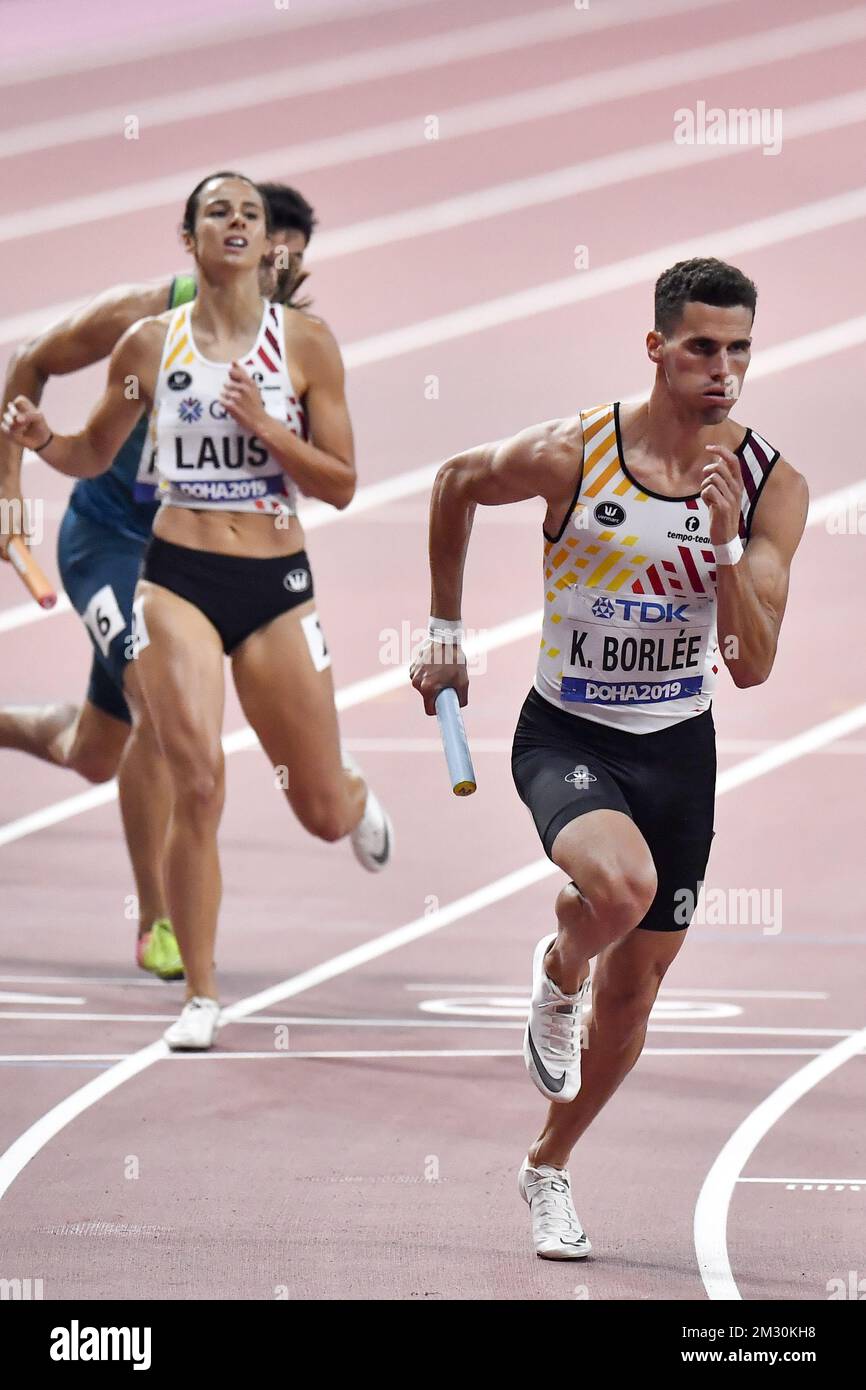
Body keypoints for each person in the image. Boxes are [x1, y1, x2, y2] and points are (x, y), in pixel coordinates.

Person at [410, 258, 808, 1259]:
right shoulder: (574, 454)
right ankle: (557, 965)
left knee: (631, 1000)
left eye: (738, 349)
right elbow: (455, 481)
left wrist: (720, 550)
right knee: (618, 887)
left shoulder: (768, 487)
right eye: (700, 348)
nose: (722, 369)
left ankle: (546, 1165)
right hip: (568, 734)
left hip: (678, 750)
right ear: (656, 347)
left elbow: (750, 665)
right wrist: (442, 627)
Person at [2, 171, 392, 1051]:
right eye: (220, 212)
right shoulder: (146, 338)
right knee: (197, 774)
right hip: (164, 572)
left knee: (314, 808)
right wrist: (34, 448)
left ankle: (351, 788)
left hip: (274, 581)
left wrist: (268, 429)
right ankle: (195, 984)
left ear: (276, 248)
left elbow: (342, 484)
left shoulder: (308, 345)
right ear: (190, 238)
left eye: (251, 217)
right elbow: (92, 447)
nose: (241, 228)